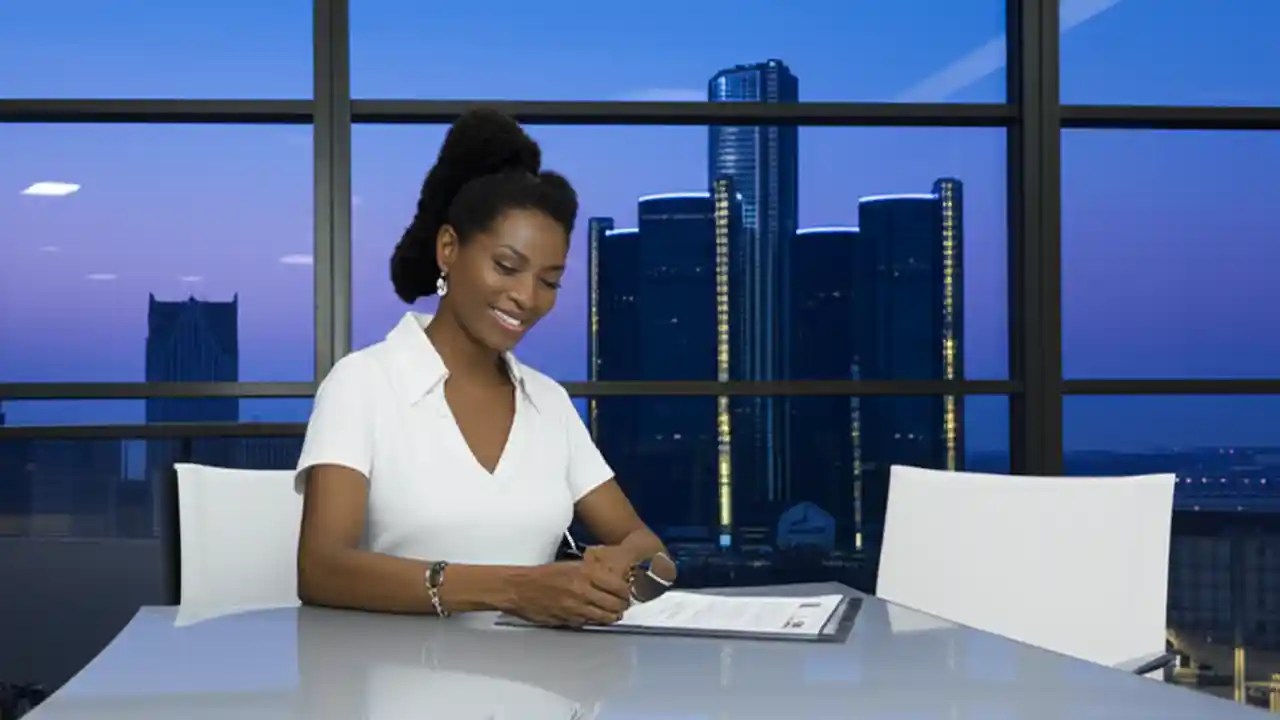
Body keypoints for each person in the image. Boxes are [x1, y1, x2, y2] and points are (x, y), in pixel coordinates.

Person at [294, 108, 670, 628]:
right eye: (507, 266)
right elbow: (321, 570)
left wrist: (626, 571)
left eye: (550, 281)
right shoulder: (363, 384)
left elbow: (650, 550)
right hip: (396, 689)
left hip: (544, 690)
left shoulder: (549, 404)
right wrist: (516, 589)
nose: (526, 297)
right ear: (448, 249)